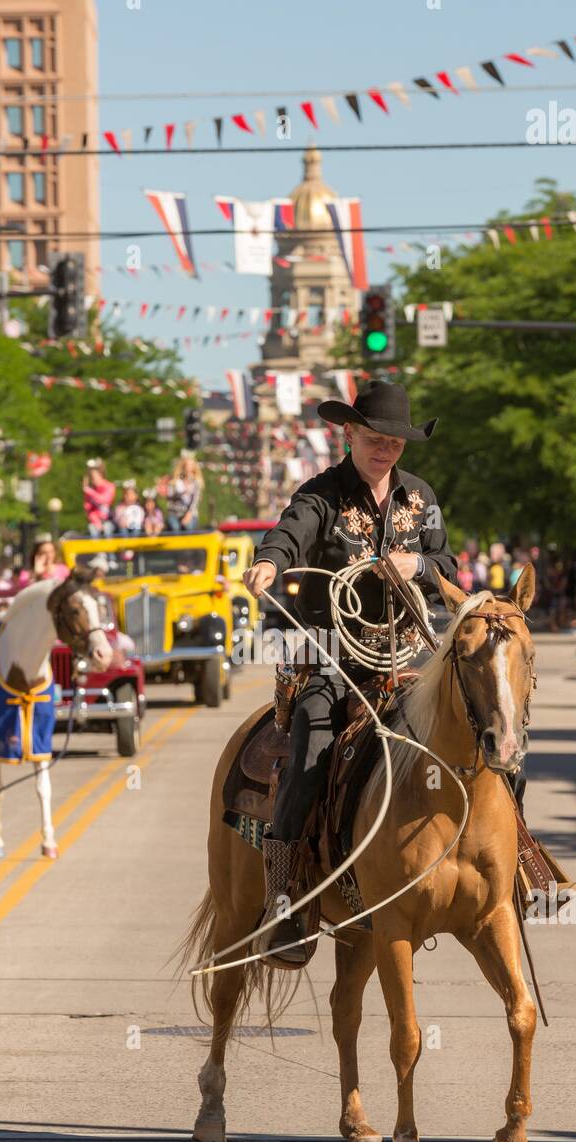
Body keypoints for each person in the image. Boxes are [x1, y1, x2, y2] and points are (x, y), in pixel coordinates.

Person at [242, 381, 457, 964]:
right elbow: (290, 533)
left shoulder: (421, 497)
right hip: (335, 658)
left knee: (489, 722)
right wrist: (268, 560)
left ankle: (517, 862)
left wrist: (420, 563)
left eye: (394, 443)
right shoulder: (322, 494)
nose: (384, 450)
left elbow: (448, 563)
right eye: (374, 439)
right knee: (311, 749)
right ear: (349, 435)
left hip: (412, 656)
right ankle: (285, 898)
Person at [165, 452, 203, 531]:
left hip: (190, 513)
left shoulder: (196, 483)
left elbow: (195, 501)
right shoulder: (176, 481)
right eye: (187, 465)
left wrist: (188, 515)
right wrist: (181, 491)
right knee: (175, 528)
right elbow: (170, 496)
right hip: (174, 513)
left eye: (191, 465)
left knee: (188, 526)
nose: (188, 468)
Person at [83, 459, 116, 537]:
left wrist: (89, 491)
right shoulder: (91, 490)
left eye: (94, 477)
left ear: (101, 475)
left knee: (107, 528)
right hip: (96, 522)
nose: (92, 480)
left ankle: (108, 549)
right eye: (91, 477)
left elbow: (104, 500)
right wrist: (97, 522)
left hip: (109, 520)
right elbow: (88, 509)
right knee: (92, 528)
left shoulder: (110, 486)